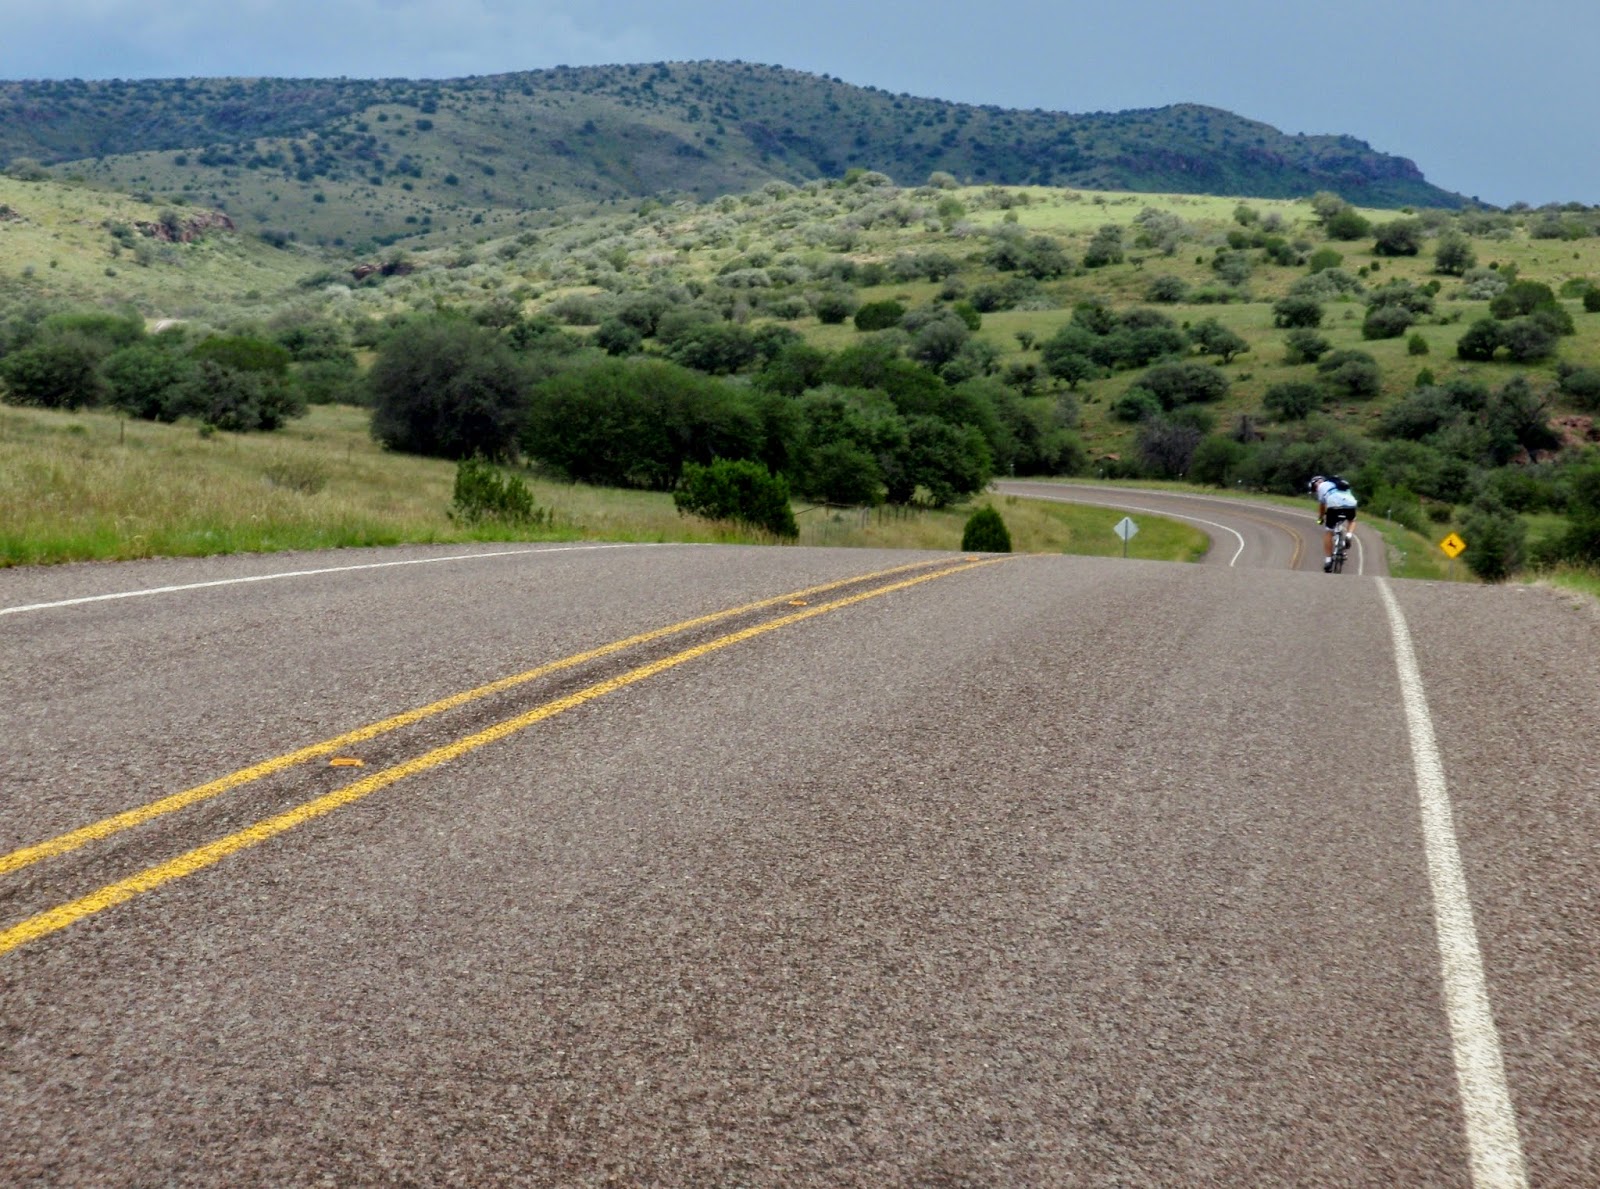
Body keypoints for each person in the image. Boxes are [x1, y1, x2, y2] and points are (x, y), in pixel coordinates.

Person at [1309, 474, 1358, 572]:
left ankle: (1328, 560)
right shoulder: (1340, 483)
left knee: (1329, 531)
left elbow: (1322, 506)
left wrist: (1321, 518)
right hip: (1350, 503)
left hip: (1334, 505)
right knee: (1352, 520)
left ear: (1315, 484)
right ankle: (1348, 535)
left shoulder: (1322, 487)